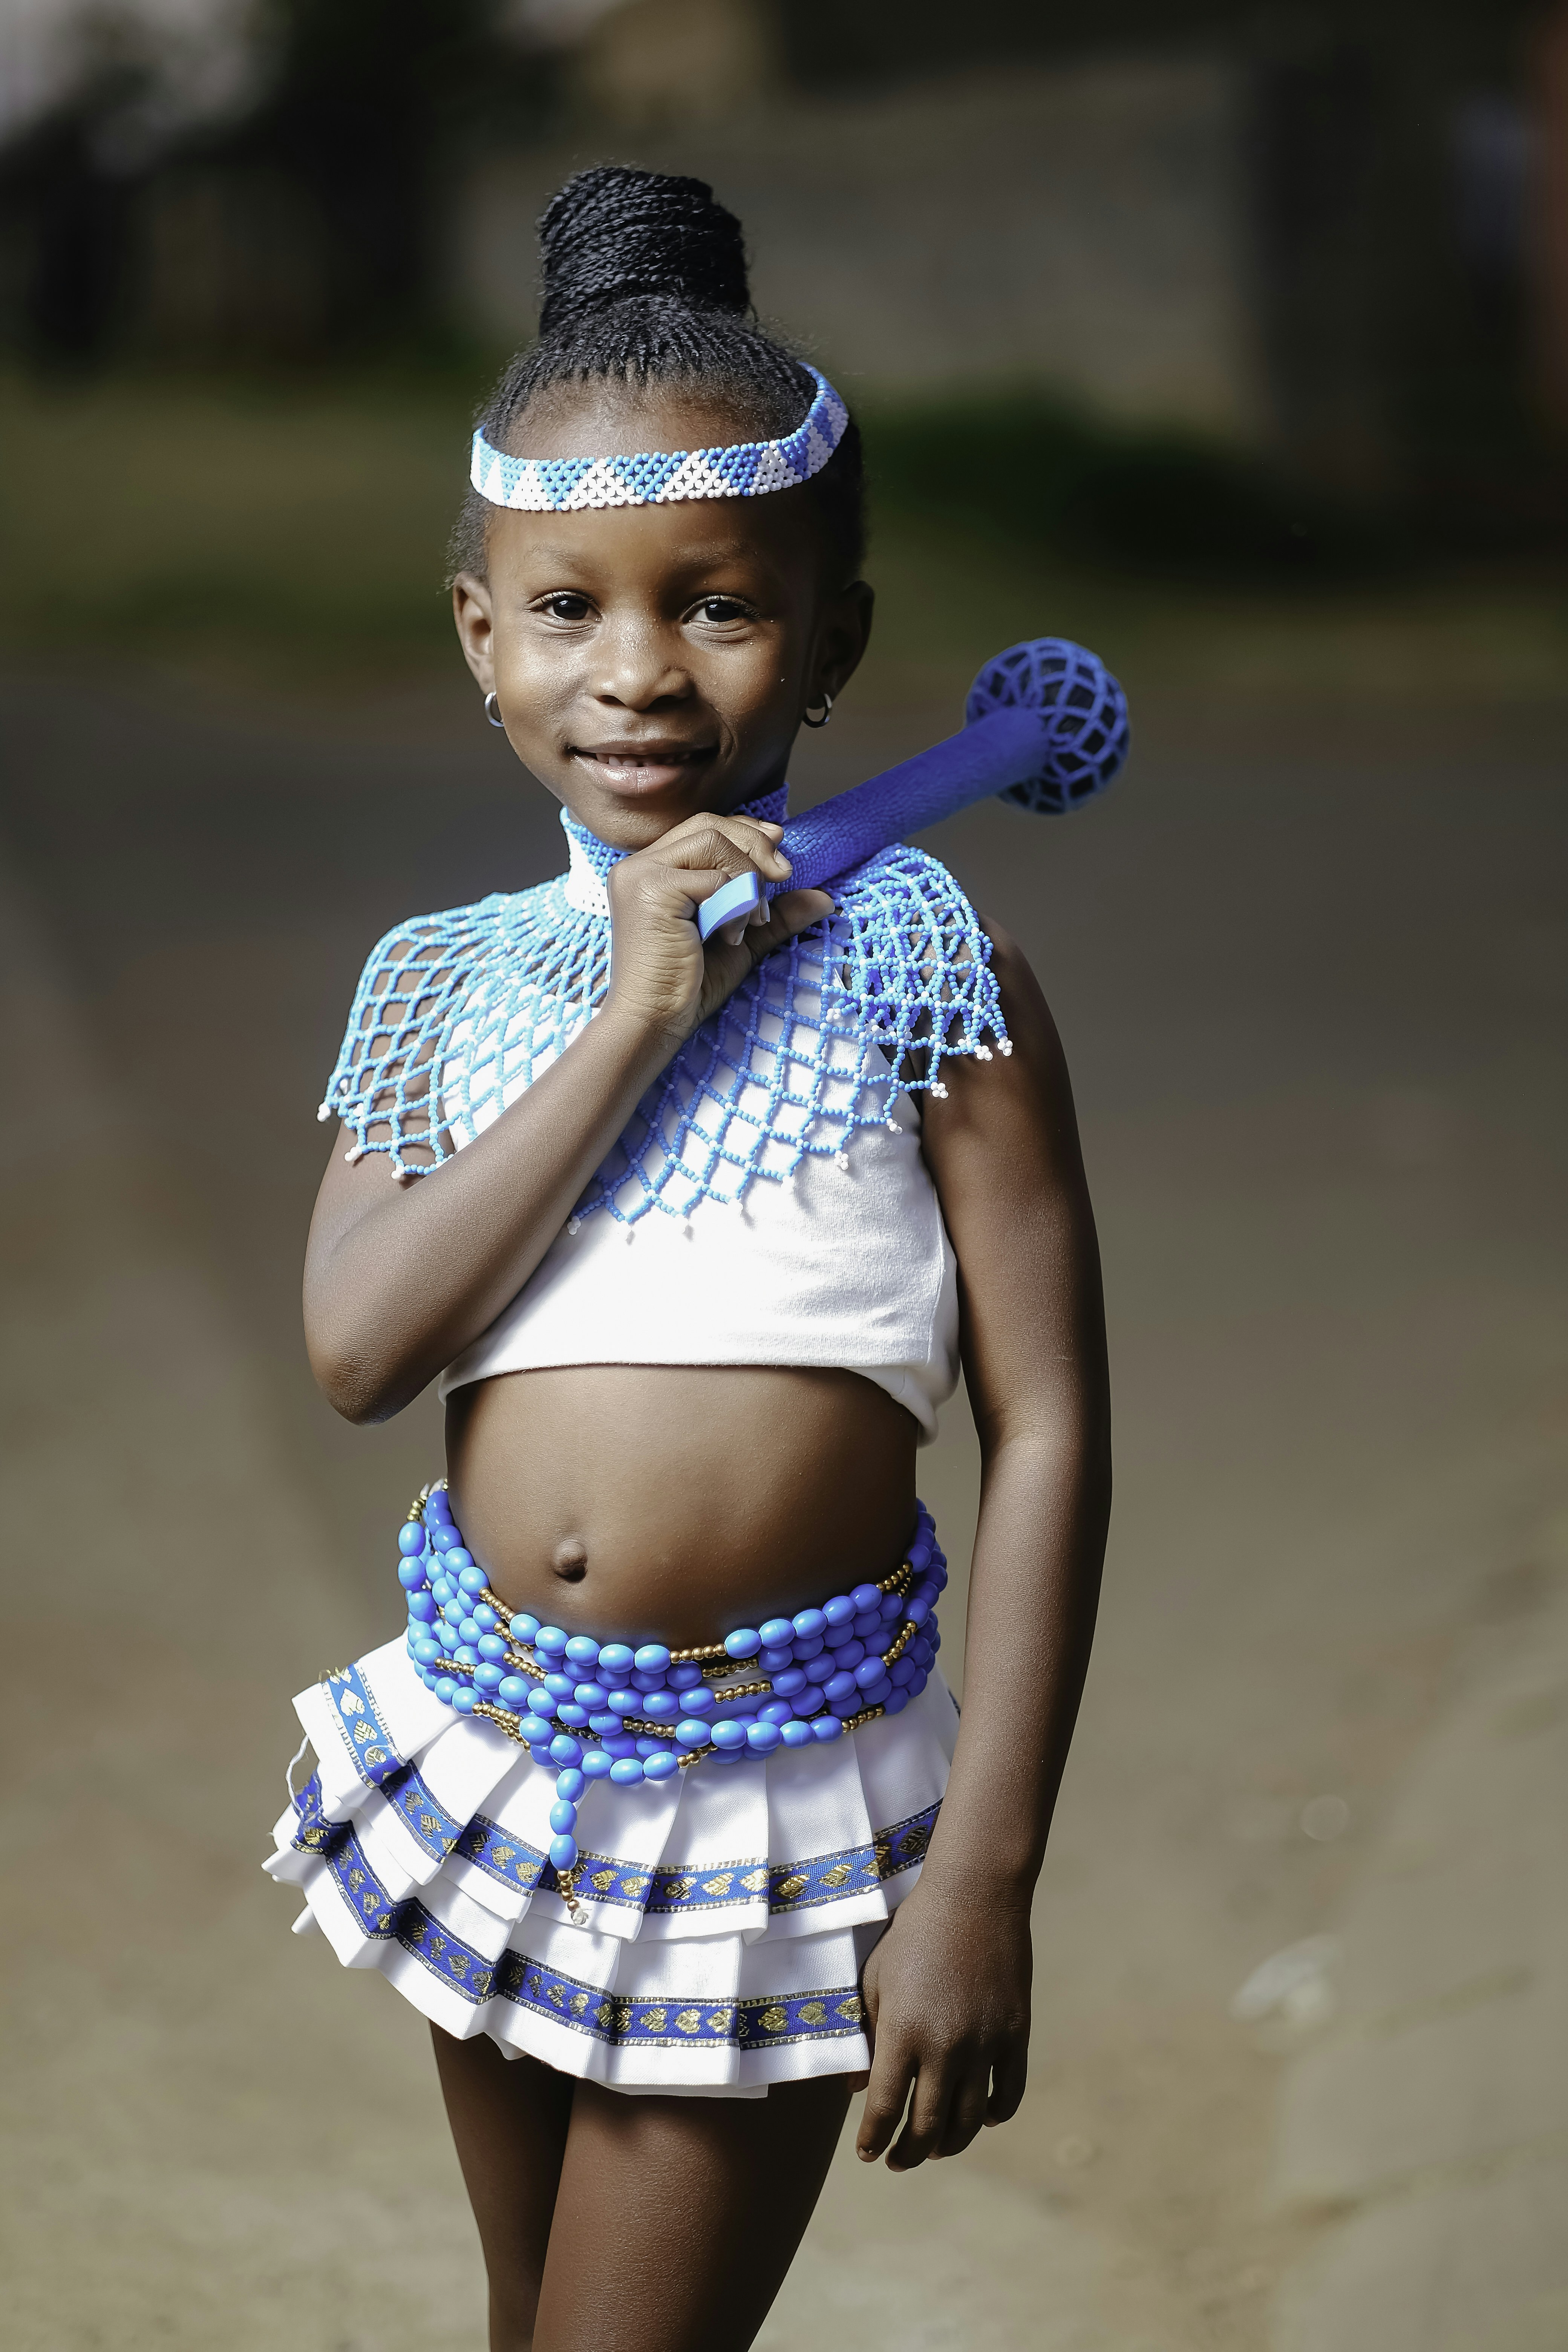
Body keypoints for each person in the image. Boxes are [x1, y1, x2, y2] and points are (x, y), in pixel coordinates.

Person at [267, 164, 1110, 2352]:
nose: (638, 672)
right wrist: (634, 1009)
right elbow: (360, 1349)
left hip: (776, 1813)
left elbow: (1048, 1427)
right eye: (568, 608)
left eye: (719, 607)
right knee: (524, 2315)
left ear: (832, 637)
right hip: (496, 1750)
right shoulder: (449, 981)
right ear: (482, 635)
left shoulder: (932, 979)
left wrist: (985, 1871)